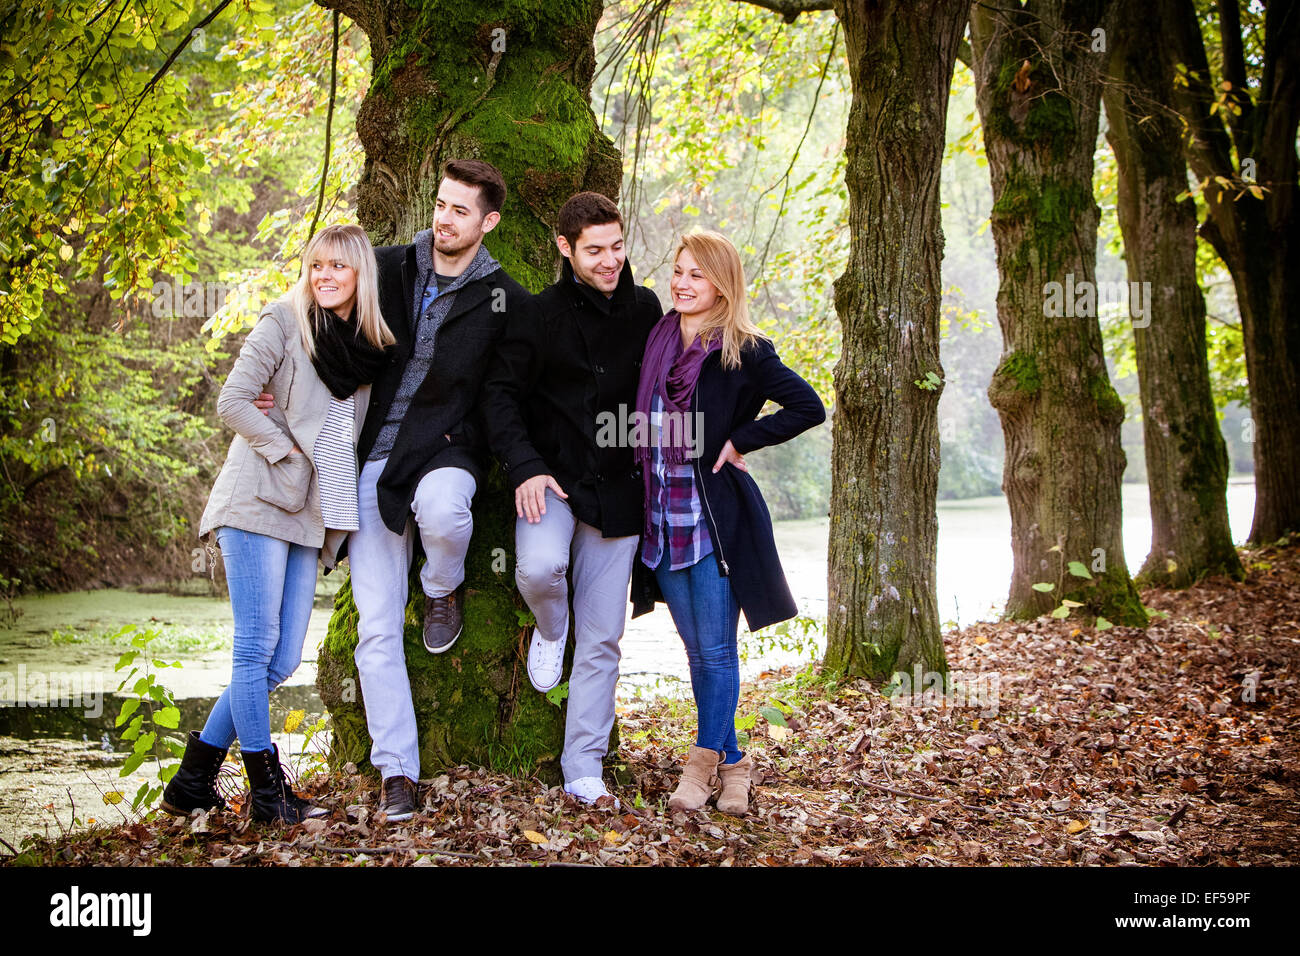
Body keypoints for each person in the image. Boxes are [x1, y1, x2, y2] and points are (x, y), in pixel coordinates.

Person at [308, 159, 528, 822]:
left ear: (488, 222)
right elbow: (315, 305)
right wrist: (278, 376)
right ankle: (397, 769)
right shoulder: (387, 267)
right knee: (375, 628)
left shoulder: (503, 300)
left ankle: (441, 588)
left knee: (444, 512)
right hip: (372, 459)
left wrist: (530, 463)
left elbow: (508, 395)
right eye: (441, 203)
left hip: (447, 452)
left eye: (461, 210)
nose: (444, 217)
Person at [163, 224, 394, 823]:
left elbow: (344, 432)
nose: (324, 276)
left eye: (337, 267)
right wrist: (285, 451)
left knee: (284, 658)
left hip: (311, 511)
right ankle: (267, 794)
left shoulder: (367, 344)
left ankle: (193, 780)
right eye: (316, 264)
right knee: (253, 649)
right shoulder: (283, 321)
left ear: (359, 275)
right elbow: (233, 400)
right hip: (259, 499)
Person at [630, 231, 825, 816]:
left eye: (697, 274)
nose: (683, 283)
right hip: (660, 517)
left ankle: (700, 765)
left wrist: (743, 438)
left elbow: (808, 406)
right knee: (698, 653)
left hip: (714, 519)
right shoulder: (656, 340)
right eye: (679, 271)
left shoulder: (746, 349)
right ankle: (736, 764)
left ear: (722, 283)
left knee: (715, 653)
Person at [482, 192, 662, 807]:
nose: (610, 260)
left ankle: (583, 765)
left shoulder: (647, 310)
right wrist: (525, 467)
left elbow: (675, 387)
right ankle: (550, 629)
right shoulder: (536, 315)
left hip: (619, 494)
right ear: (565, 249)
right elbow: (499, 398)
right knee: (538, 568)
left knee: (606, 637)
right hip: (552, 482)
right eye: (595, 251)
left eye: (617, 246)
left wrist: (728, 436)